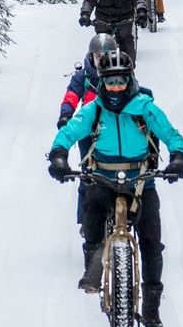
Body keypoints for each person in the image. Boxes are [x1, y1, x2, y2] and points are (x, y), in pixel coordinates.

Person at [47, 50, 183, 327]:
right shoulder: (95, 109)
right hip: (103, 176)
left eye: (121, 82)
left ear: (130, 79)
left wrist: (179, 156)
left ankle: (150, 307)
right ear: (102, 81)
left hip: (141, 180)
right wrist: (59, 154)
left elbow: (170, 133)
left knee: (151, 242)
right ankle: (93, 268)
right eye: (110, 82)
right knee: (92, 214)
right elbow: (70, 131)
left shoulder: (144, 106)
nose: (115, 88)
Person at [59, 33, 120, 225]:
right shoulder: (83, 76)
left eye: (107, 55)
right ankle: (87, 222)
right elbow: (71, 95)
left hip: (114, 130)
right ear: (91, 56)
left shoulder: (121, 73)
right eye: (98, 56)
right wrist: (66, 114)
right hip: (89, 131)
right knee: (88, 176)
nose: (102, 60)